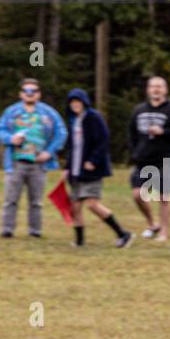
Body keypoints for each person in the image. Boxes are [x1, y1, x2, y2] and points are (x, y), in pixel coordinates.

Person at [0, 78, 66, 239]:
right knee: (10, 199)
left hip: (38, 164)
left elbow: (61, 132)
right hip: (15, 162)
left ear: (38, 94)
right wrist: (10, 139)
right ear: (21, 94)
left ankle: (35, 231)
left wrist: (49, 152)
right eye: (26, 91)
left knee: (36, 201)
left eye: (33, 91)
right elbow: (1, 129)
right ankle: (7, 229)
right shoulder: (11, 112)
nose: (30, 94)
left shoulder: (49, 113)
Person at [61, 88, 131, 248]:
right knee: (75, 207)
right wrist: (67, 167)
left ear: (84, 102)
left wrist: (93, 160)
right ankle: (79, 241)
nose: (75, 105)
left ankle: (123, 234)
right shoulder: (74, 121)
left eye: (78, 102)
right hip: (76, 171)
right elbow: (73, 147)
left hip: (91, 170)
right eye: (72, 102)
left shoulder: (93, 117)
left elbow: (103, 140)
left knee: (92, 204)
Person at [128, 76, 170, 242]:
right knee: (137, 195)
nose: (156, 89)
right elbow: (131, 133)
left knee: (164, 197)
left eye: (159, 86)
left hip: (165, 158)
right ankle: (152, 223)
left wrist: (164, 132)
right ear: (148, 90)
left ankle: (164, 233)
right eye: (153, 86)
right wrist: (134, 152)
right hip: (143, 159)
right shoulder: (138, 110)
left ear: (165, 90)